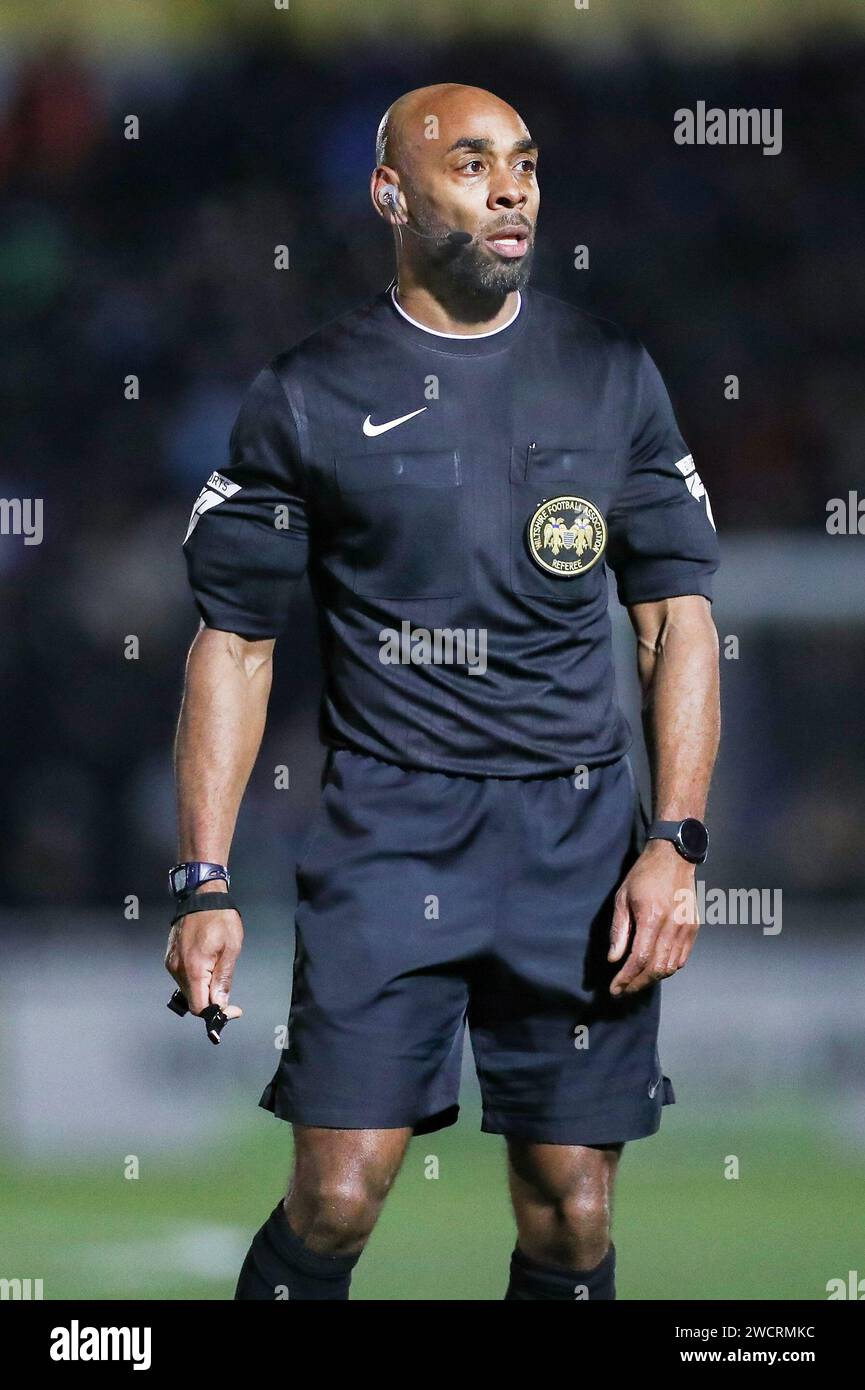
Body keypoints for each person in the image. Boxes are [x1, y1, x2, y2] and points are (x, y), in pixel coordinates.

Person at [165, 82, 720, 1301]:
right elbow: (233, 642)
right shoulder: (309, 393)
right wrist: (203, 878)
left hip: (578, 844)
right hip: (390, 835)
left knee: (571, 1212)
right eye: (470, 164)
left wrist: (675, 841)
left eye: (522, 161)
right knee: (338, 1190)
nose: (510, 186)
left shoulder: (612, 374)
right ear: (391, 194)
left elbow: (676, 619)